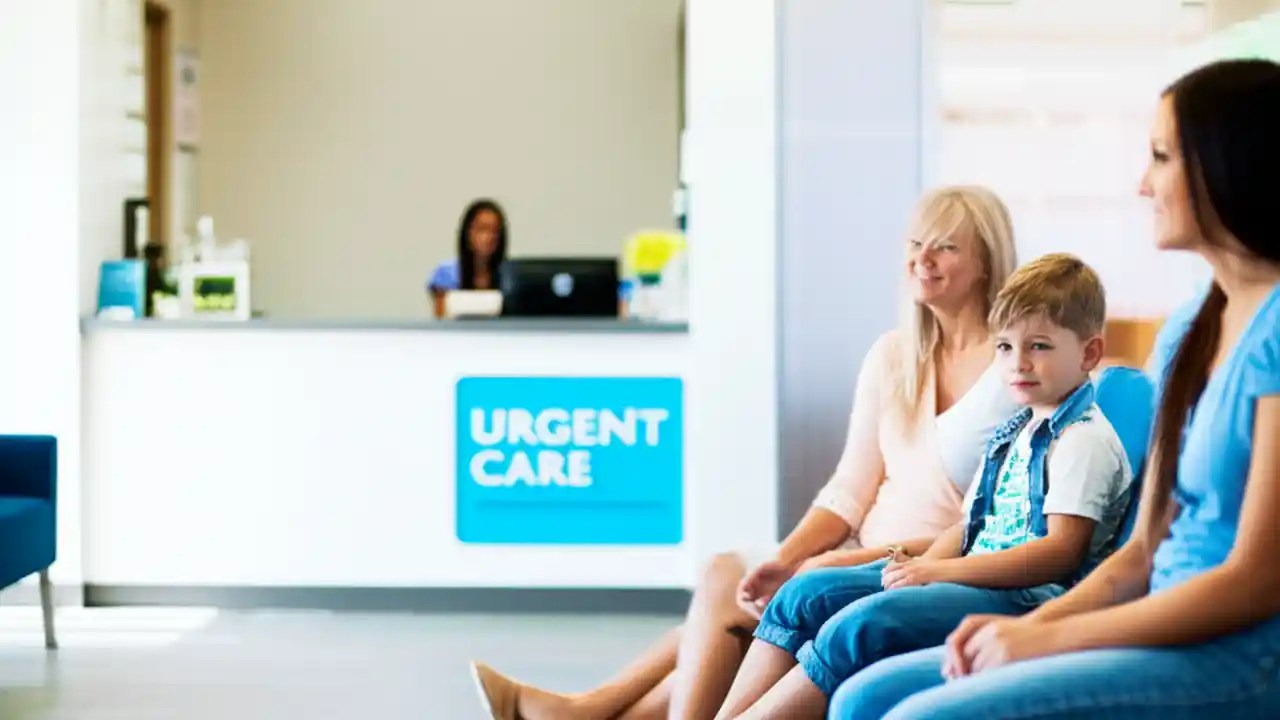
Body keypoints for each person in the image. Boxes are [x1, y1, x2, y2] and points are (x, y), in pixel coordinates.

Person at [829, 59, 1280, 720]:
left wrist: (1047, 635)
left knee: (921, 715)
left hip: (1239, 654)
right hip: (1154, 622)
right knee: (866, 695)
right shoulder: (1189, 327)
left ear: (1225, 164)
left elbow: (1256, 581)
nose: (1141, 185)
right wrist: (1033, 633)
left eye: (1159, 158)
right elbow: (1140, 557)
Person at [469, 185, 1020, 720]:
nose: (923, 260)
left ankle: (583, 711)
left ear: (986, 264)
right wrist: (789, 556)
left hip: (915, 565)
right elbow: (850, 492)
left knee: (728, 602)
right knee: (729, 588)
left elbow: (980, 527)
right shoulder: (894, 355)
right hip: (859, 545)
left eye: (945, 246)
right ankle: (579, 711)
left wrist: (832, 562)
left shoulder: (1012, 372)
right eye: (914, 244)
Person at [714, 254, 1135, 719]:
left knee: (857, 628)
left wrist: (937, 574)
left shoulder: (1082, 442)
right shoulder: (1015, 431)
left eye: (1039, 346)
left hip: (1027, 599)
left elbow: (1059, 554)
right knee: (803, 593)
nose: (1018, 364)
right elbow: (971, 524)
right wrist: (919, 570)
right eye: (1005, 348)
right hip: (967, 577)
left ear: (1089, 354)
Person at [427, 198, 508, 317]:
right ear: (468, 233)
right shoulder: (446, 274)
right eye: (482, 229)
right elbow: (442, 322)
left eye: (495, 231)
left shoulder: (509, 276)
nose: (489, 237)